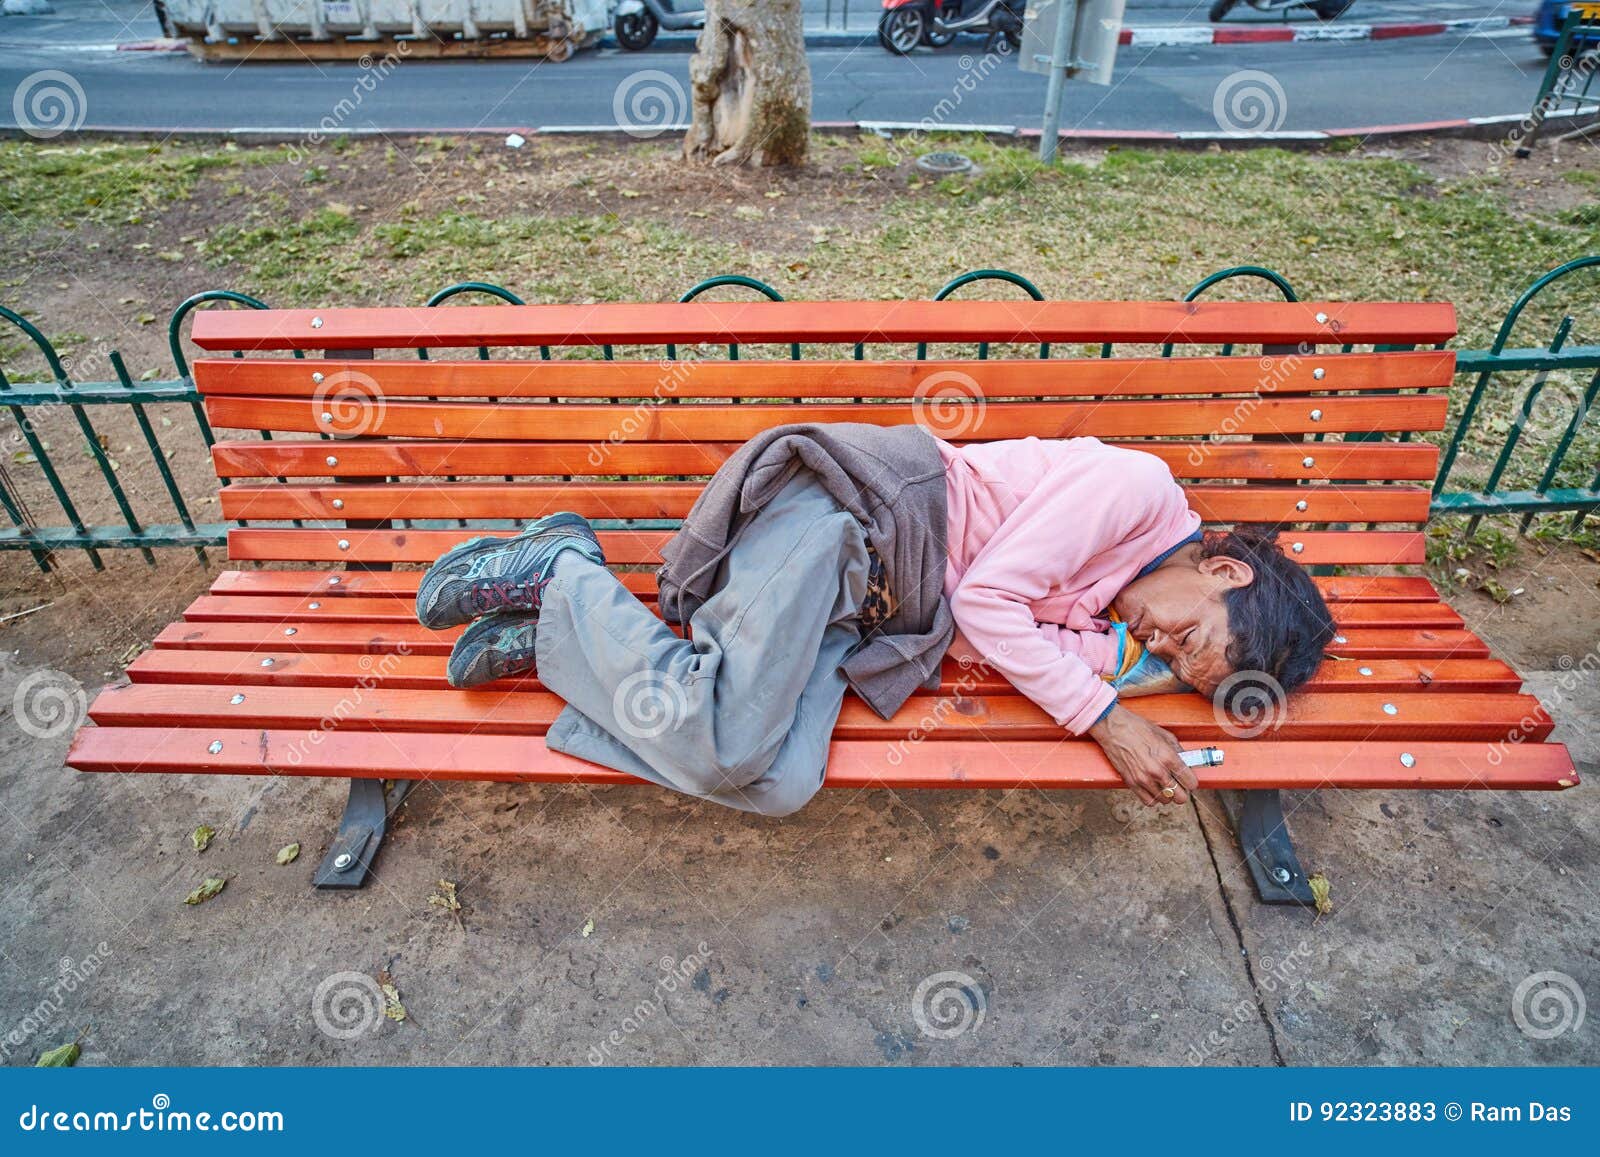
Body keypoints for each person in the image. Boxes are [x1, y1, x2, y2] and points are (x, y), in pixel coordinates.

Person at [414, 425, 1335, 817]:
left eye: (1173, 661)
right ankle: (563, 572)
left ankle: (553, 637)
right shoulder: (1136, 492)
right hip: (848, 521)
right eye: (1187, 634)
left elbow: (1012, 638)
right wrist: (1105, 716)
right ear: (1224, 569)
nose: (1156, 643)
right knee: (726, 742)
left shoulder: (1111, 610)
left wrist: (1145, 671)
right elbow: (984, 606)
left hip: (865, 611)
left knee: (781, 782)